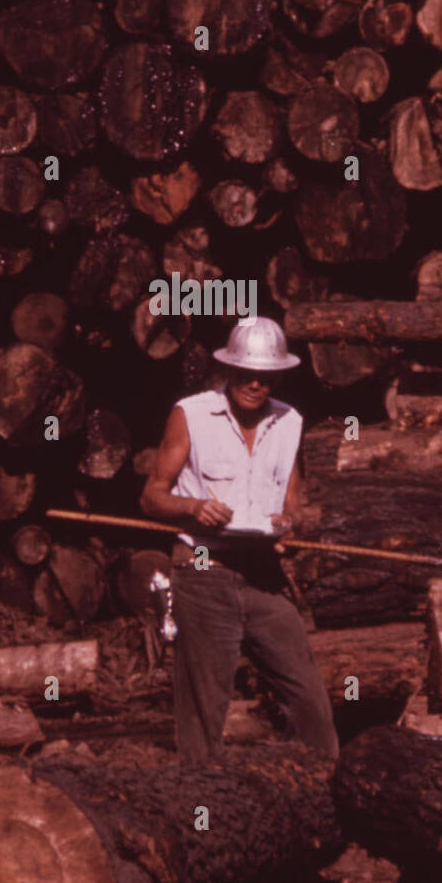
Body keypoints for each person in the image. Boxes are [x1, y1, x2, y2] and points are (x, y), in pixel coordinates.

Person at [140, 316, 339, 764]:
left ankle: (322, 791)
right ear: (228, 369)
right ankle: (201, 807)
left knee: (309, 698)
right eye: (246, 374)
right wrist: (192, 508)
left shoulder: (289, 422)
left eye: (265, 376)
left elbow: (294, 499)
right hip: (204, 570)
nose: (255, 384)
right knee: (203, 714)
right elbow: (151, 496)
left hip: (262, 574)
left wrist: (289, 522)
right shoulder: (190, 415)